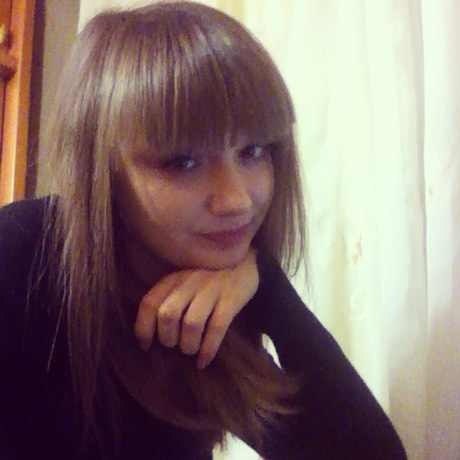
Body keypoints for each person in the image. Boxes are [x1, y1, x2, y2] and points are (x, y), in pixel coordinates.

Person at [0, 1, 407, 459]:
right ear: (103, 168)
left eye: (253, 151)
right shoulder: (19, 259)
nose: (237, 200)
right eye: (183, 161)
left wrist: (267, 289)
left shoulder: (207, 290)